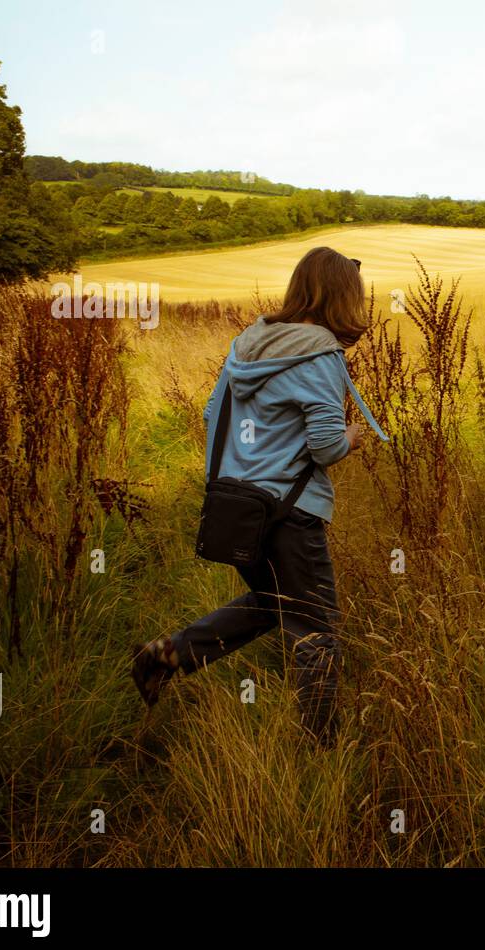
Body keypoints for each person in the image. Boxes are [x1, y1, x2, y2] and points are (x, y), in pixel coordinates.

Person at [131, 246, 381, 746]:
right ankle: (318, 749)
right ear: (339, 297)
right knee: (318, 632)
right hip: (290, 514)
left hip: (236, 509)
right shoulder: (320, 355)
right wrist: (352, 437)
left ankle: (169, 655)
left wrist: (239, 474)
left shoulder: (248, 343)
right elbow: (326, 446)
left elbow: (210, 415)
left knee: (275, 604)